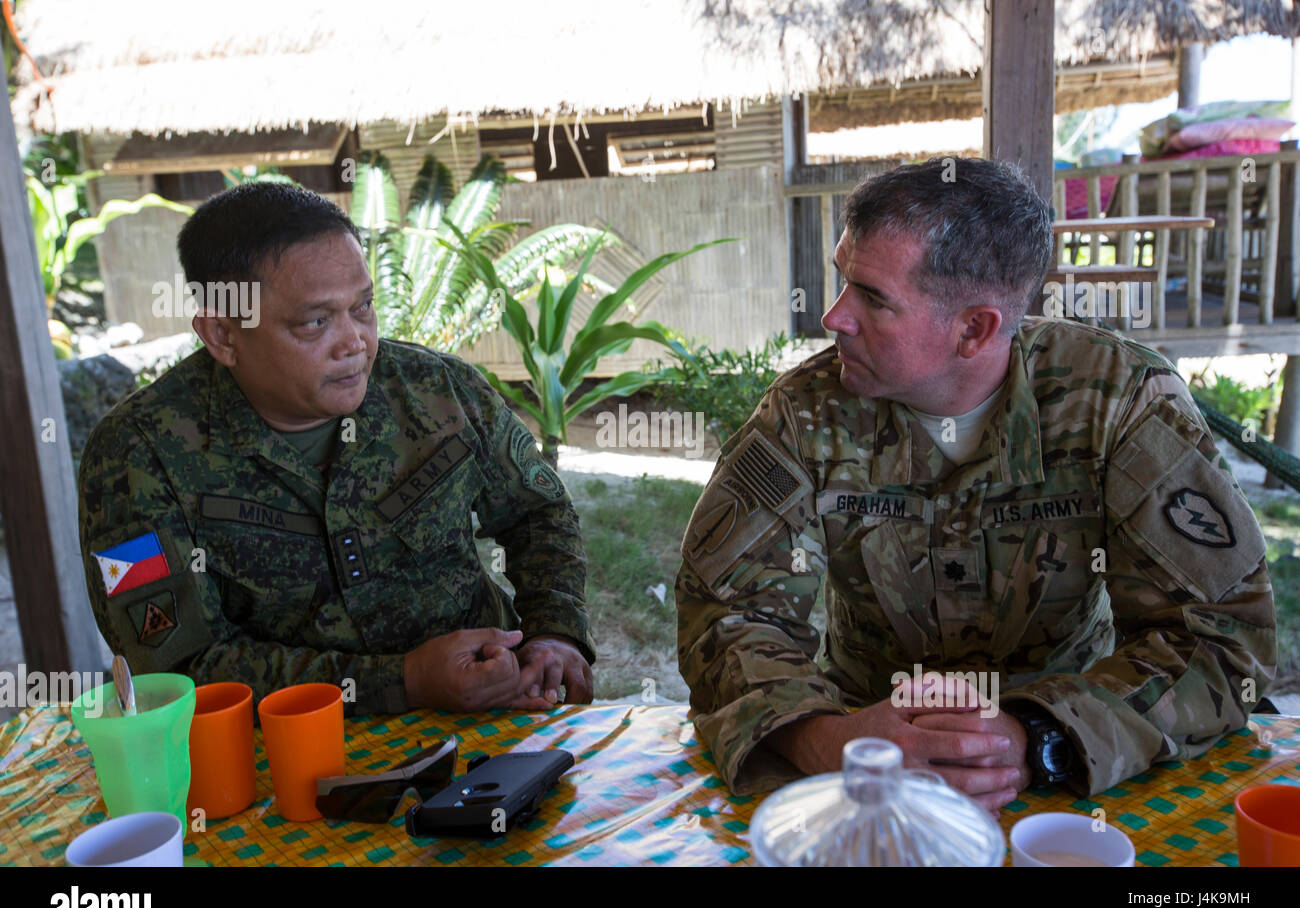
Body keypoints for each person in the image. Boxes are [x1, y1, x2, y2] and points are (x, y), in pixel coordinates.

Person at [675, 158, 1276, 809]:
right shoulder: (805, 413)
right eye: (844, 280)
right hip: (864, 751)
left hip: (1076, 763)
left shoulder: (1117, 403)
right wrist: (823, 740)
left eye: (873, 298)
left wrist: (1037, 738)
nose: (834, 316)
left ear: (974, 328)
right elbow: (727, 611)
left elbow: (1222, 634)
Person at [78, 182, 594, 714]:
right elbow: (177, 669)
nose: (355, 343)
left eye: (363, 306)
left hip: (489, 711)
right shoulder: (137, 455)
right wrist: (401, 682)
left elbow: (538, 512)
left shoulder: (437, 390)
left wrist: (555, 633)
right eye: (315, 322)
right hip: (283, 745)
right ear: (223, 335)